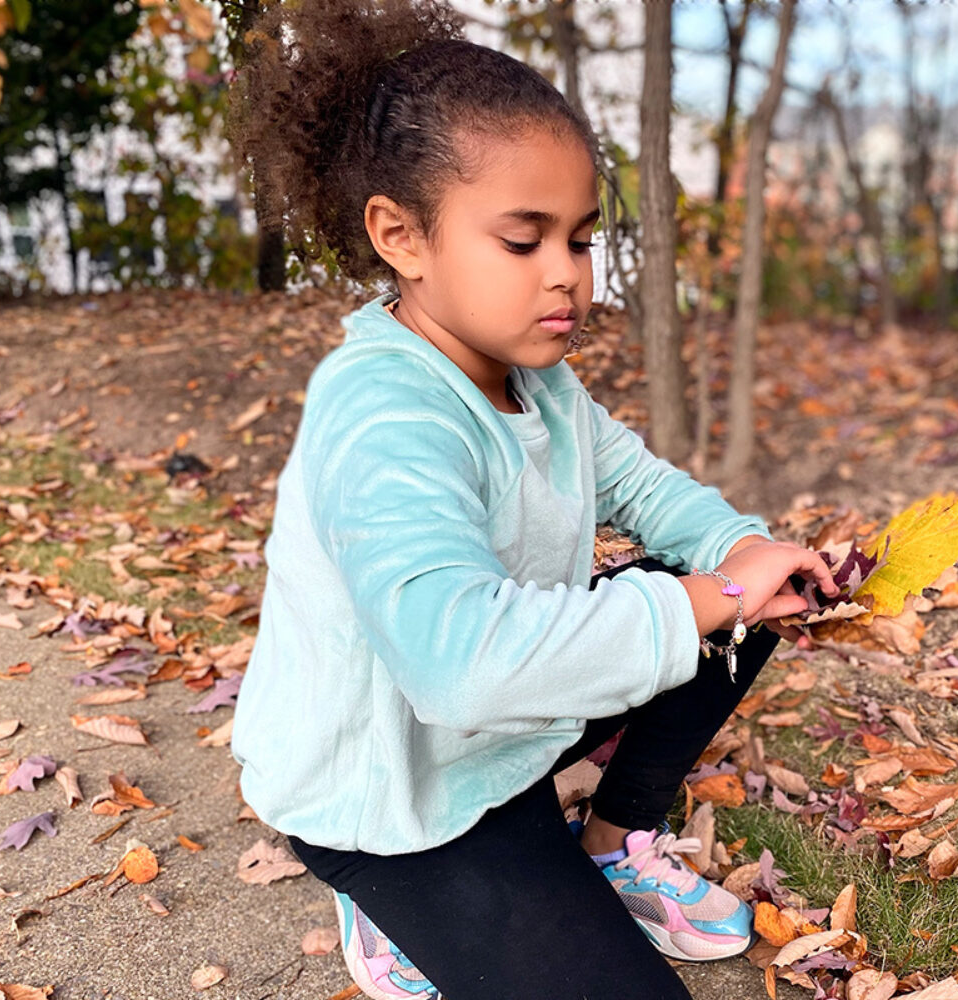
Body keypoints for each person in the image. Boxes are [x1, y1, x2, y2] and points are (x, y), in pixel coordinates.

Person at [226, 3, 839, 998]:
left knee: (747, 597)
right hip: (393, 791)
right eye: (523, 241)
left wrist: (741, 553)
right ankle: (392, 902)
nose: (566, 276)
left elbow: (641, 484)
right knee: (715, 600)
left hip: (502, 731)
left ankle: (610, 840)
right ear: (401, 235)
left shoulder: (537, 377)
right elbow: (458, 665)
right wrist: (711, 594)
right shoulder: (383, 414)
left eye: (581, 240)